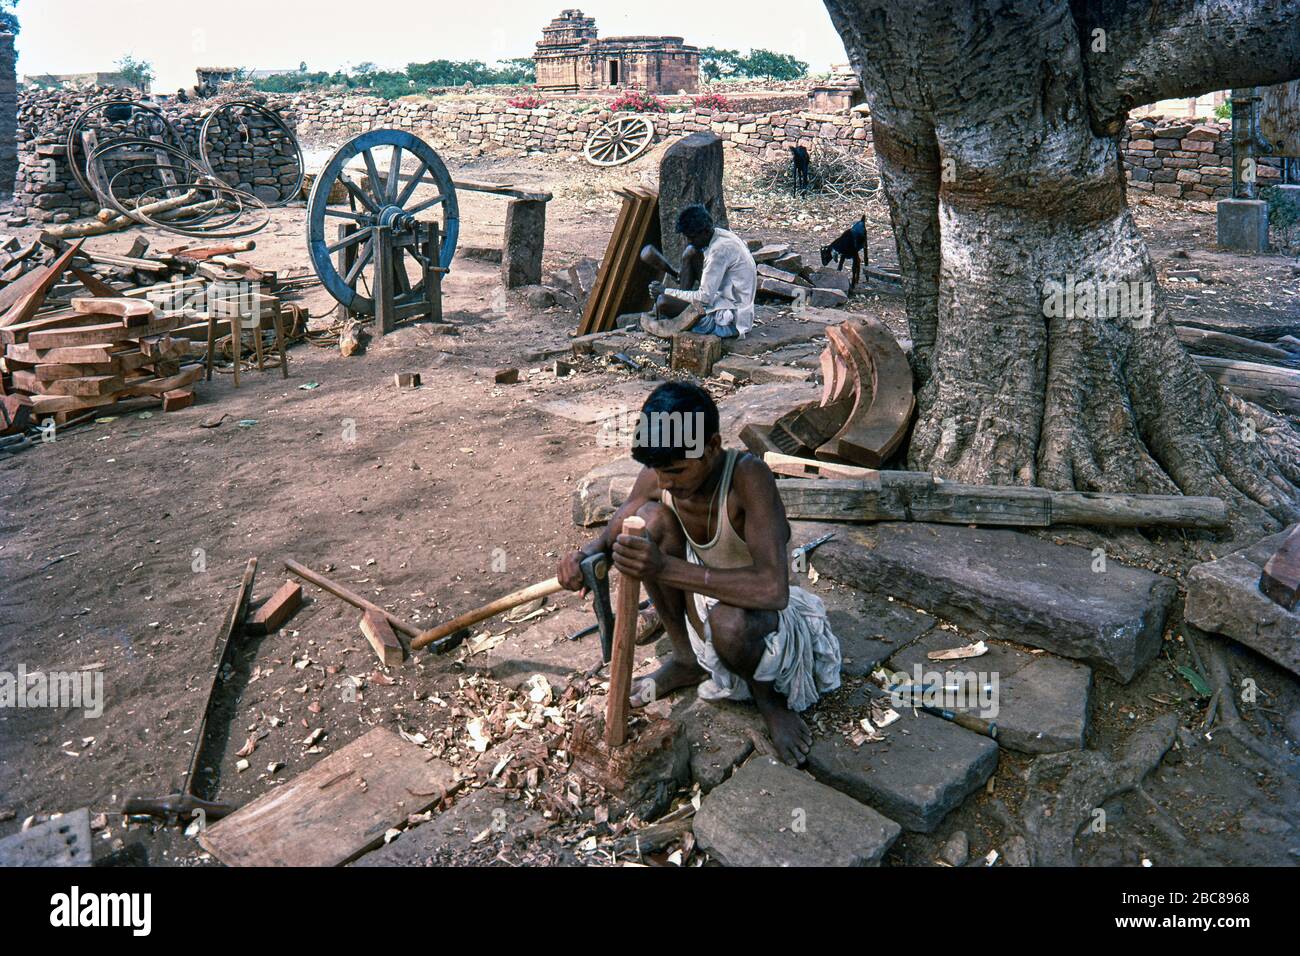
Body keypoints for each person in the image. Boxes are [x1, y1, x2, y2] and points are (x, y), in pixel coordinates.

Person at [557, 382, 841, 765]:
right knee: (648, 522)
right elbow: (623, 519)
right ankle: (687, 658)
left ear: (710, 447)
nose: (666, 482)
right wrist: (586, 555)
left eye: (676, 471)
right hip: (700, 601)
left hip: (758, 617)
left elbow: (774, 591)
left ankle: (768, 699)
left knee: (728, 623)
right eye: (660, 471)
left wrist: (664, 568)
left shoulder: (748, 479)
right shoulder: (661, 473)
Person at [643, 204, 757, 340]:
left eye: (692, 237)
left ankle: (678, 311)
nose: (689, 241)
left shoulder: (719, 251)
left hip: (731, 319)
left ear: (706, 231)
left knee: (662, 302)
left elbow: (705, 298)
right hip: (724, 298)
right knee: (690, 252)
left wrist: (665, 291)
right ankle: (680, 303)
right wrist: (681, 278)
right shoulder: (719, 235)